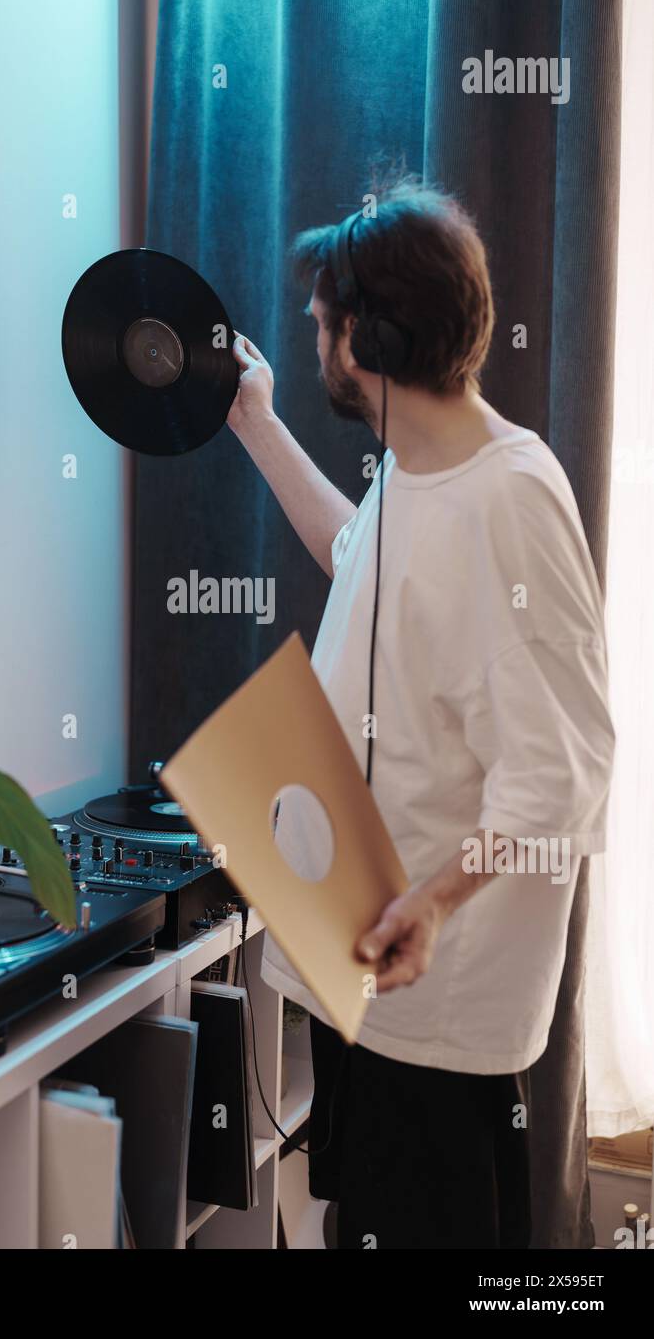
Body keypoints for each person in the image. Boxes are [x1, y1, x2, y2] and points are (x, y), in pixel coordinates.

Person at [229, 176, 614, 1250]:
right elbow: (358, 559)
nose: (311, 336)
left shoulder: (508, 497)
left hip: (437, 1008)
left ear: (368, 342)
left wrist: (436, 904)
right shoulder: (419, 470)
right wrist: (255, 425)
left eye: (321, 320)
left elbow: (563, 766)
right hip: (369, 973)